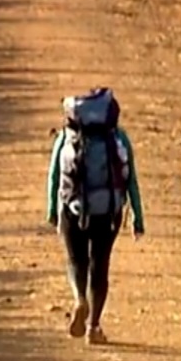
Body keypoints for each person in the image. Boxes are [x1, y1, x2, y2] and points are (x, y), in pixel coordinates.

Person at [47, 86, 145, 345]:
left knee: (76, 260)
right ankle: (94, 326)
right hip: (108, 211)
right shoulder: (118, 137)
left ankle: (79, 299)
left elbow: (55, 176)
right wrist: (137, 217)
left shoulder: (67, 137)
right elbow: (130, 179)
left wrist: (52, 212)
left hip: (72, 208)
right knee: (99, 266)